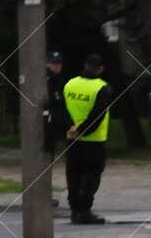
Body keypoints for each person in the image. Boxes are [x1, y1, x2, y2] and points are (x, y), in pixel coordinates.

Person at [63, 53, 114, 224]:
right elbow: (97, 115)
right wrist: (83, 130)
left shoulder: (70, 84)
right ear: (100, 69)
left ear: (85, 66)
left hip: (72, 139)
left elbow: (63, 109)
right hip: (94, 140)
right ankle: (84, 210)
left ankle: (74, 209)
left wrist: (71, 127)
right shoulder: (102, 87)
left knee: (73, 174)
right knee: (92, 175)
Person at [43, 51, 67, 207]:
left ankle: (46, 194)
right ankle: (44, 195)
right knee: (45, 162)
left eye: (58, 63)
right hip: (46, 125)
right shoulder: (47, 79)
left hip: (52, 125)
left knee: (48, 161)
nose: (57, 66)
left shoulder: (56, 79)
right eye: (54, 63)